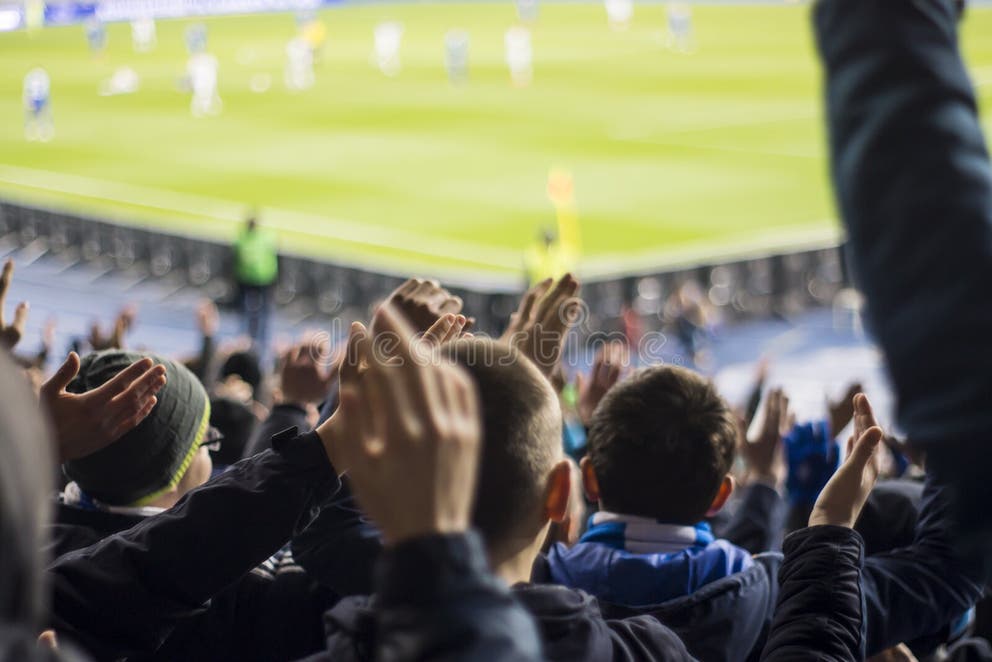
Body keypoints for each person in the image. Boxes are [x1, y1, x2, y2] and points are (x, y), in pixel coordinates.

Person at [550, 364, 984, 658]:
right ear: (720, 496)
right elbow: (945, 573)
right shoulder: (783, 591)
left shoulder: (531, 591)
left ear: (588, 479)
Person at [232, 216, 278, 352]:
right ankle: (256, 341)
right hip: (262, 278)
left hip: (251, 278)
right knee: (260, 312)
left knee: (248, 312)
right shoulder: (266, 238)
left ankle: (246, 340)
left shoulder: (242, 238)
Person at [23, 67, 54, 143]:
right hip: (39, 99)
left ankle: (33, 133)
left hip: (34, 99)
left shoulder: (31, 78)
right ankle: (39, 134)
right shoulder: (43, 78)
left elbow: (27, 90)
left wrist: (27, 99)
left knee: (34, 117)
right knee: (40, 117)